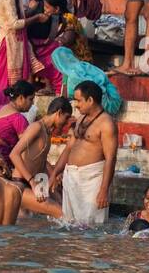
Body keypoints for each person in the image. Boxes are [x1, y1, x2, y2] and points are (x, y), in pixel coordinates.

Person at [51, 81, 118, 226]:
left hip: (92, 181)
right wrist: (54, 173)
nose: (76, 104)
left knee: (91, 227)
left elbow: (110, 159)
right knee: (69, 225)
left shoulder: (106, 123)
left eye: (79, 100)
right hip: (72, 177)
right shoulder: (81, 119)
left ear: (90, 100)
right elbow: (68, 149)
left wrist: (103, 190)